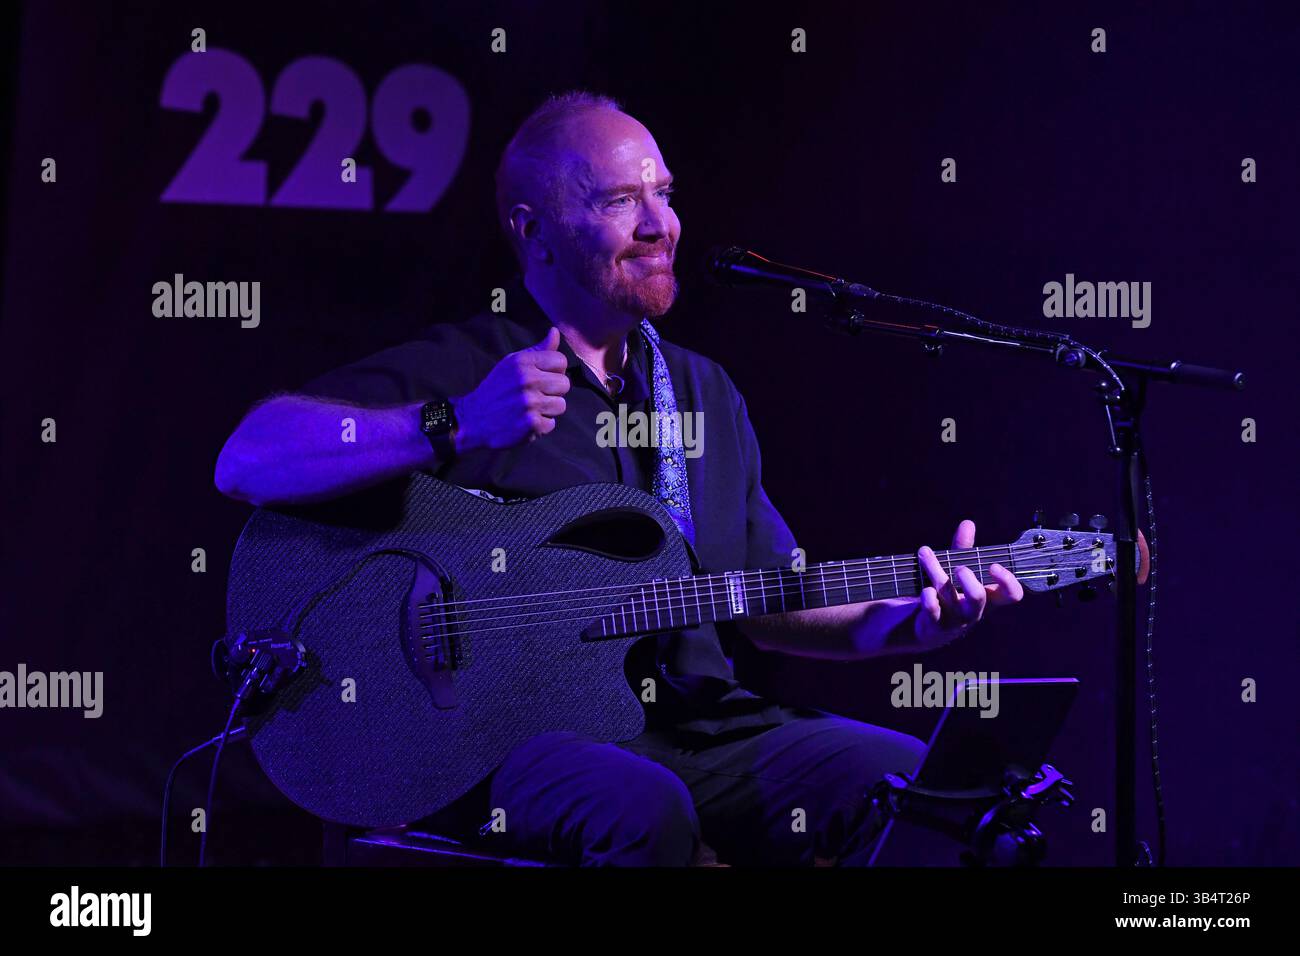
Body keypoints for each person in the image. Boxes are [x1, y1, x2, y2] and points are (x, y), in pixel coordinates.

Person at [215, 91, 1024, 866]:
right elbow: (247, 459)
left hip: (700, 729)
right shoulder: (474, 363)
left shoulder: (706, 393)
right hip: (509, 740)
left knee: (926, 789)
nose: (658, 225)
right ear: (536, 231)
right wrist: (452, 422)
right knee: (643, 810)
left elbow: (772, 601)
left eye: (664, 195)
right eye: (617, 202)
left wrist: (910, 626)